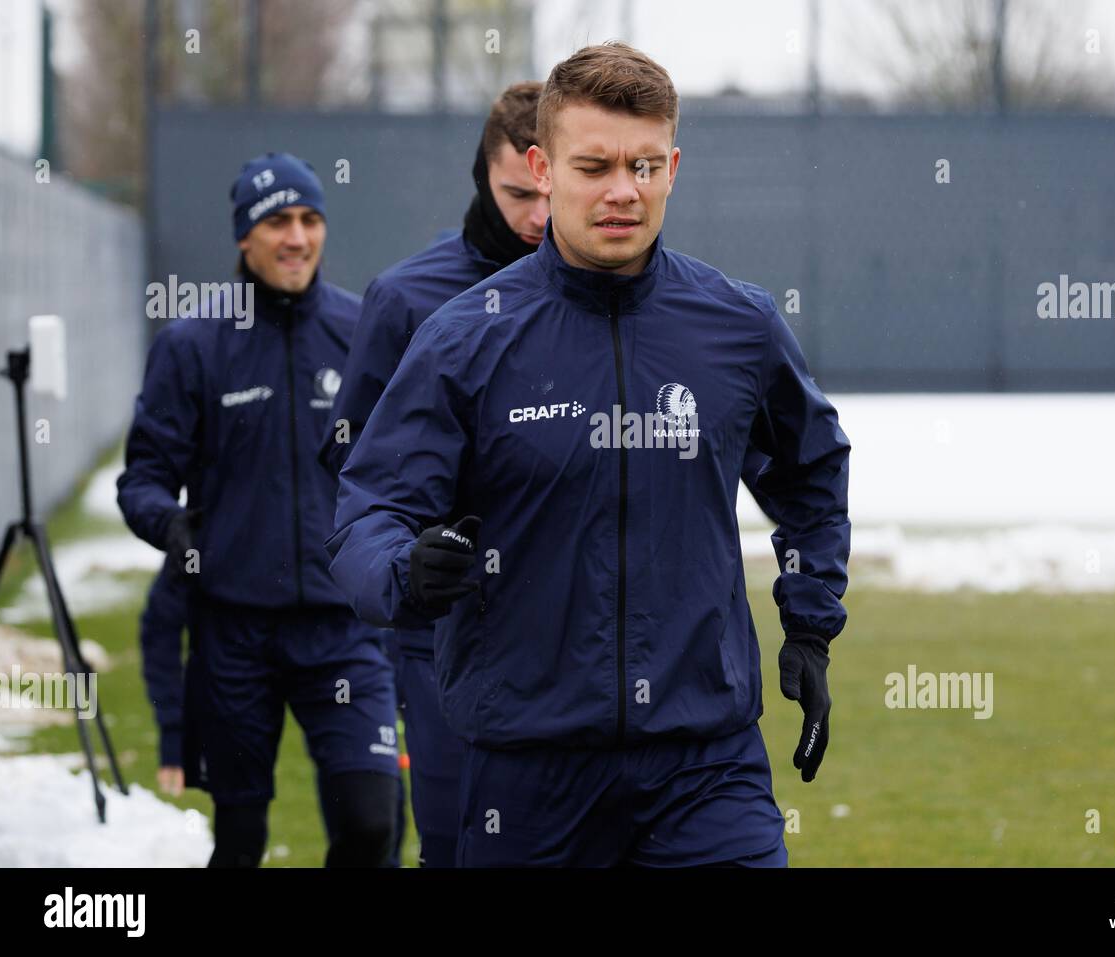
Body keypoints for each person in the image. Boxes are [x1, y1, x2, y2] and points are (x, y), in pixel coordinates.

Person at [329, 44, 850, 867]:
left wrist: (811, 626)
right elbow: (370, 507)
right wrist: (403, 568)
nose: (623, 190)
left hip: (705, 763)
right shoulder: (465, 339)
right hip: (527, 772)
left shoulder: (738, 327)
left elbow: (812, 470)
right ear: (542, 168)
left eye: (645, 165)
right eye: (595, 164)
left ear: (673, 165)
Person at [118, 152, 400, 867]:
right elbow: (142, 479)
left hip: (344, 628)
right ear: (245, 237)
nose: (298, 237)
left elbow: (401, 462)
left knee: (373, 823)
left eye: (310, 219)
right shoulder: (192, 344)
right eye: (278, 221)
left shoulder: (361, 331)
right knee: (239, 838)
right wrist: (172, 526)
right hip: (232, 633)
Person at [319, 81, 549, 866]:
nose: (539, 217)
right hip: (441, 632)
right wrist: (406, 565)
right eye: (519, 194)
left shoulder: (602, 292)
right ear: (481, 174)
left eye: (551, 193)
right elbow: (352, 470)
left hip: (566, 629)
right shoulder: (405, 297)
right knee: (453, 843)